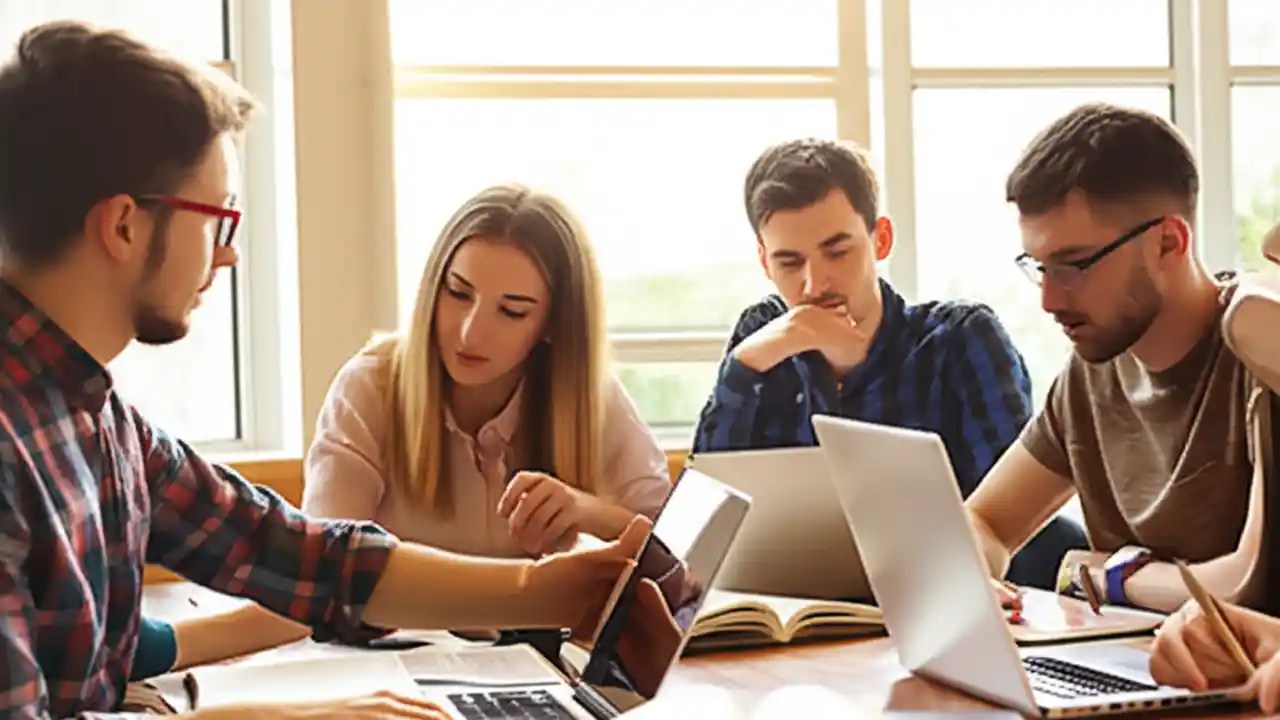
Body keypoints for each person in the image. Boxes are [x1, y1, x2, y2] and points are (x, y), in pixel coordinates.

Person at [0, 20, 647, 718]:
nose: (227, 255)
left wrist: (546, 590)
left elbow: (297, 553)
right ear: (124, 226)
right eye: (218, 220)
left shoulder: (99, 418)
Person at [128, 183, 674, 676]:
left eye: (512, 311)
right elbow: (316, 576)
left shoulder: (586, 397)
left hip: (552, 673)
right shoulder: (371, 388)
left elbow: (678, 561)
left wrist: (588, 511)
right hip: (393, 671)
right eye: (457, 293)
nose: (469, 330)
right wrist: (161, 651)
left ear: (553, 324)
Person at [691, 138, 1085, 590]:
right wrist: (747, 362)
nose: (815, 283)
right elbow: (708, 512)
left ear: (881, 239)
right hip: (801, 609)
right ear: (764, 260)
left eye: (837, 252)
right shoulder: (760, 339)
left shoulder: (959, 340)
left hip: (946, 597)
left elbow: (1010, 516)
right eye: (789, 261)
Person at [965, 102, 1279, 615]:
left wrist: (1102, 575)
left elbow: (1247, 583)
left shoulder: (1260, 352)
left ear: (1167, 243)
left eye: (1074, 265)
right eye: (1039, 267)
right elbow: (984, 522)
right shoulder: (1092, 370)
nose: (1049, 299)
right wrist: (973, 580)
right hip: (1128, 670)